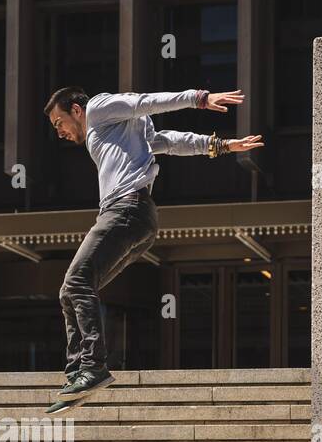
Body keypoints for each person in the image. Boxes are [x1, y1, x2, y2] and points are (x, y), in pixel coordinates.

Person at [43, 86, 264, 415]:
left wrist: (198, 99)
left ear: (76, 110)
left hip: (125, 211)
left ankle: (93, 367)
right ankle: (77, 373)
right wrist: (220, 145)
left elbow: (144, 102)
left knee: (76, 283)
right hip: (139, 220)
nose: (59, 132)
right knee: (69, 291)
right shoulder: (125, 132)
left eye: (59, 122)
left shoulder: (100, 108)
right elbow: (170, 142)